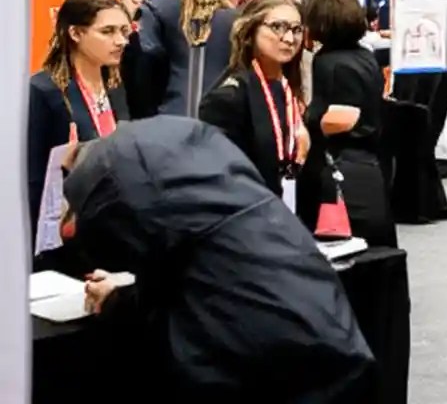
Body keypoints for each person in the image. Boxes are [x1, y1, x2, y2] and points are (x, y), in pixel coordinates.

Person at [64, 117, 374, 402]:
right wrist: (120, 295)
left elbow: (167, 289)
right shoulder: (215, 186)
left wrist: (116, 300)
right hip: (330, 339)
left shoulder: (130, 185)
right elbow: (180, 279)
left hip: (266, 364)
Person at [28, 0, 132, 250]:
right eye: (107, 32)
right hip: (62, 236)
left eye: (123, 31)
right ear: (75, 34)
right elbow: (33, 179)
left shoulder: (115, 86)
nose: (120, 41)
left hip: (112, 226)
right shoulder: (44, 91)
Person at [301, 0, 394, 246]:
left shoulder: (329, 62)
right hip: (370, 164)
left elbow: (343, 118)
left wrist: (305, 124)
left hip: (342, 167)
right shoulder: (364, 55)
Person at [198, 0, 309, 199]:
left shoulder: (287, 86)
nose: (289, 38)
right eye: (277, 27)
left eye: (296, 29)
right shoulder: (228, 97)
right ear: (250, 31)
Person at [137, 0, 236, 117]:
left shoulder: (155, 9)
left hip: (168, 116)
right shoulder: (237, 19)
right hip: (220, 119)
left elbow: (145, 60)